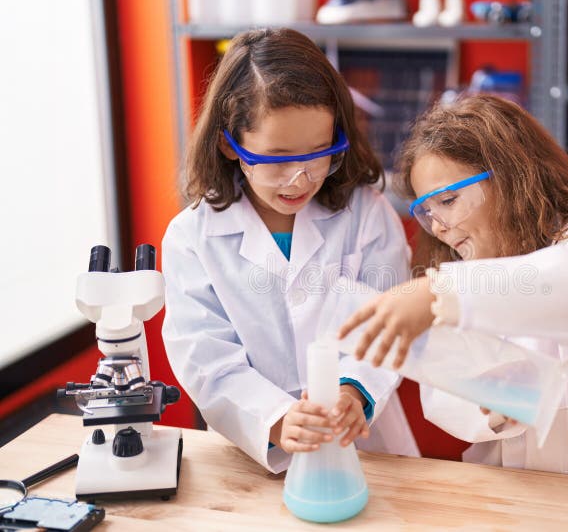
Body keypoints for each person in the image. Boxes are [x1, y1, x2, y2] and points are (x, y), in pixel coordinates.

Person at [338, 93, 568, 486]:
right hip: (512, 498)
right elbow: (442, 398)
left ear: (509, 176)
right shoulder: (465, 274)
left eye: (448, 201)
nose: (439, 227)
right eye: (427, 212)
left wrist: (439, 293)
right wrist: (493, 412)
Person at [161, 28, 418, 474]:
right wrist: (276, 418)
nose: (299, 179)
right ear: (229, 143)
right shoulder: (193, 237)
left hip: (367, 448)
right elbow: (203, 356)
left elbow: (391, 321)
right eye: (277, 158)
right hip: (254, 456)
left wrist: (354, 390)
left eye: (319, 153)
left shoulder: (366, 214)